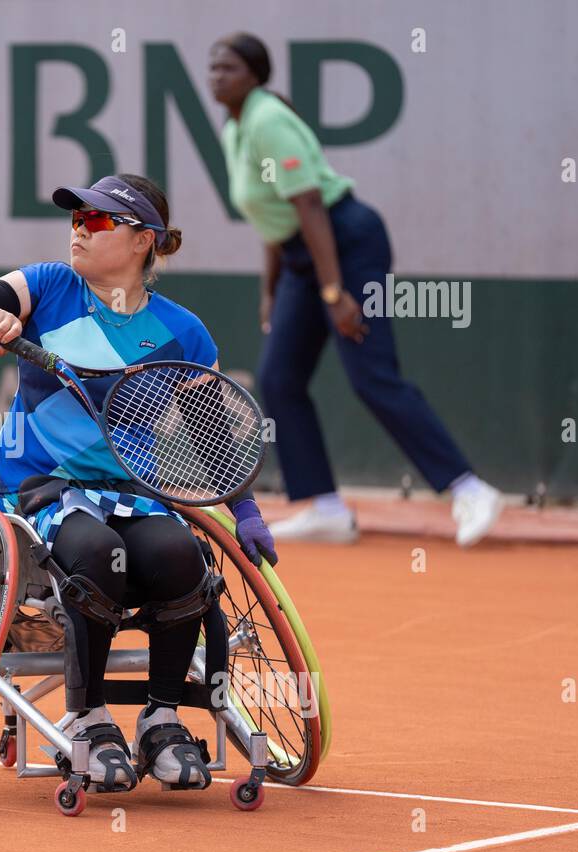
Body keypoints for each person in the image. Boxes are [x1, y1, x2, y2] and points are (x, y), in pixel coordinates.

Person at [0, 173, 277, 793]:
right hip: (36, 487)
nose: (77, 230)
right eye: (74, 219)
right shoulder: (46, 287)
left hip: (131, 493)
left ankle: (162, 718)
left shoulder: (183, 333)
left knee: (180, 559)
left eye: (95, 221)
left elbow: (213, 441)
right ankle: (87, 717)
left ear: (144, 241)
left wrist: (245, 512)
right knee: (95, 553)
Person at [209, 32, 503, 547]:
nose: (217, 76)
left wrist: (333, 292)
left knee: (372, 376)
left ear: (254, 76)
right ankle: (325, 507)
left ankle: (470, 489)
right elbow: (273, 217)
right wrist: (271, 291)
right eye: (213, 68)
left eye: (229, 68)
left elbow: (310, 206)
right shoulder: (236, 127)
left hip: (346, 245)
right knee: (279, 377)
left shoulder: (268, 121)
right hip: (304, 257)